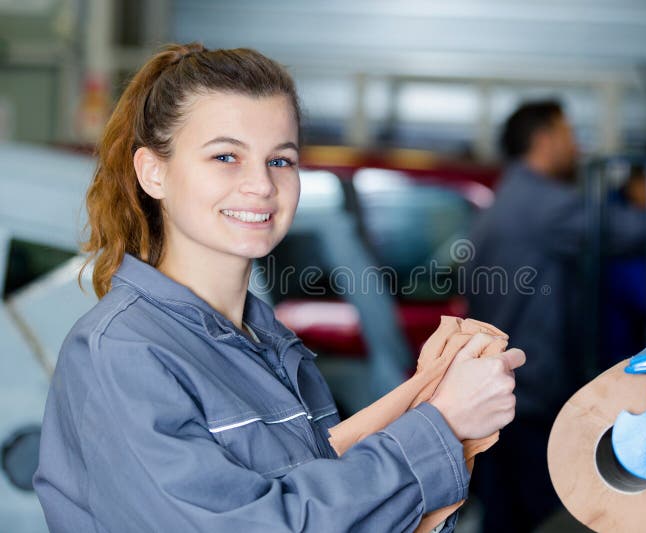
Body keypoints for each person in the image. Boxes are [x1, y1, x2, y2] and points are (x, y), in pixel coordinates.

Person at [32, 43, 525, 533]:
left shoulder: (273, 347)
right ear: (153, 173)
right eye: (226, 156)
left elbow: (328, 504)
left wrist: (442, 411)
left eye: (281, 161)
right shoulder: (121, 352)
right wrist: (440, 427)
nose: (262, 185)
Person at [466, 101, 646, 532]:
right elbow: (628, 232)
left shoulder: (510, 196)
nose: (577, 146)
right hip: (531, 395)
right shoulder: (542, 204)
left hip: (508, 390)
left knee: (506, 513)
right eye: (569, 134)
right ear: (544, 139)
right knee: (540, 514)